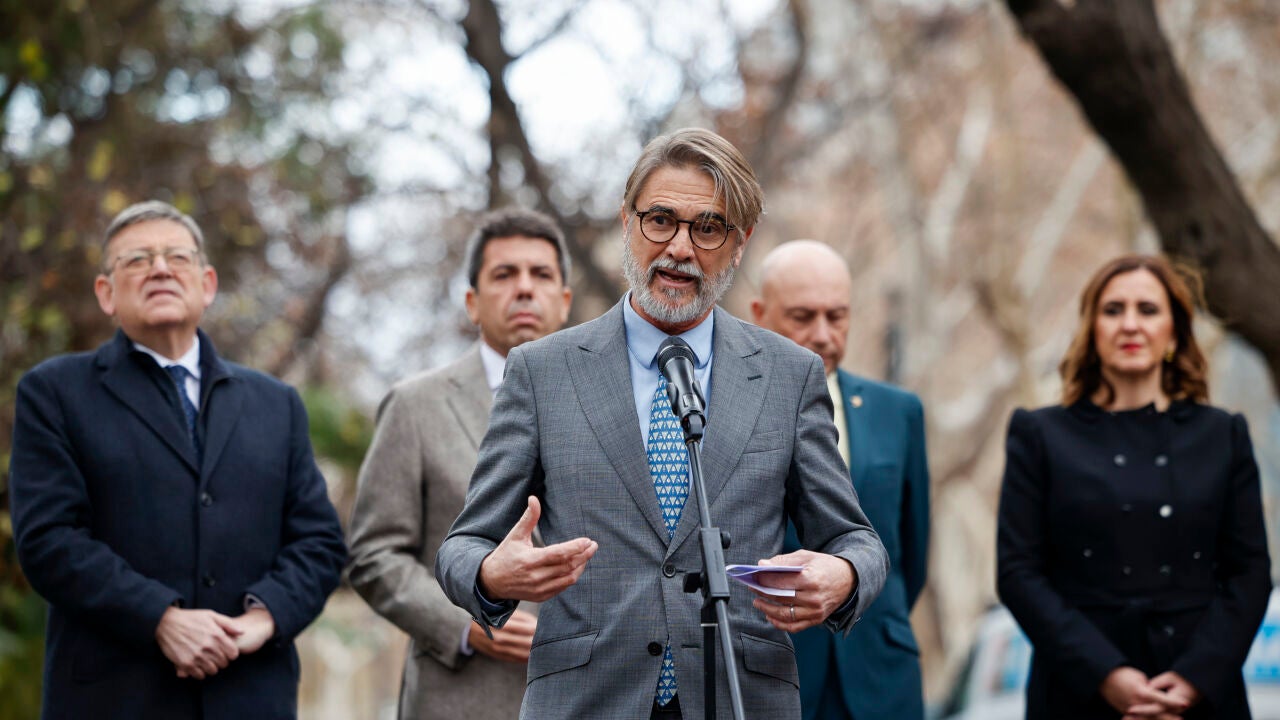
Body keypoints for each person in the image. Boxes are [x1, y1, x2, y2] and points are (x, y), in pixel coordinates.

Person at [435, 127, 889, 720]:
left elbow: (858, 540)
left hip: (740, 698)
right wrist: (491, 574)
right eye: (660, 221)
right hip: (585, 702)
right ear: (627, 221)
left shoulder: (790, 375)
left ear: (740, 244)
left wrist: (843, 574)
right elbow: (462, 546)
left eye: (708, 228)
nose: (680, 248)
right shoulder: (542, 371)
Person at [8, 200, 347, 720]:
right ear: (106, 293)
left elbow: (320, 542)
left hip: (250, 696)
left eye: (177, 257)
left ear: (207, 284)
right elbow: (48, 539)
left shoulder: (275, 403)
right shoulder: (54, 393)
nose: (161, 268)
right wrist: (160, 618)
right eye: (138, 259)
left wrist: (263, 618)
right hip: (113, 700)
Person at [996, 254, 1272, 719]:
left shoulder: (1223, 434)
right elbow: (1018, 572)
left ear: (1174, 332)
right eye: (1113, 310)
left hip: (1199, 691)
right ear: (1091, 329)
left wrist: (1193, 680)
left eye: (1147, 309)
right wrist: (1106, 675)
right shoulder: (1039, 434)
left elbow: (1249, 572)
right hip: (1078, 689)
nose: (1130, 324)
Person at [347, 207, 573, 719]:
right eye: (504, 274)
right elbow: (373, 554)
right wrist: (464, 624)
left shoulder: (609, 406)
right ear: (472, 303)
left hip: (582, 697)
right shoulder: (415, 405)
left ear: (564, 301)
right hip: (460, 697)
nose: (524, 288)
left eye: (540, 275)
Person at [750, 239, 929, 720]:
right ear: (759, 314)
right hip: (775, 672)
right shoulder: (728, 415)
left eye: (837, 316)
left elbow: (911, 552)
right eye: (802, 317)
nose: (823, 335)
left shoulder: (899, 411)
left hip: (883, 676)